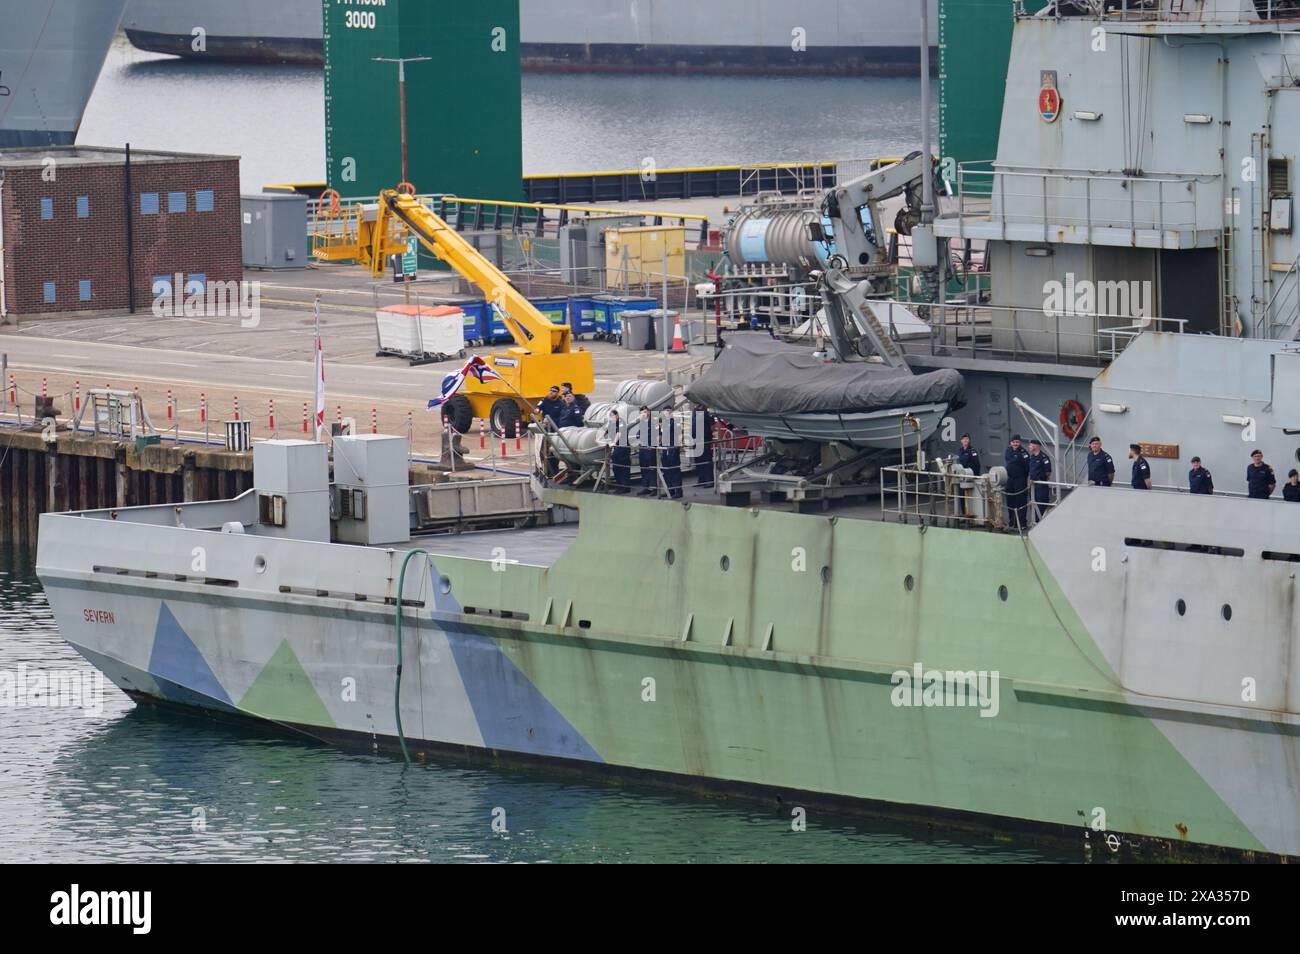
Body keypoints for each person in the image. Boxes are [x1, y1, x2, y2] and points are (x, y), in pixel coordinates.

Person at [1004, 434, 1030, 530]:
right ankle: (1012, 522)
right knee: (1010, 501)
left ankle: (1022, 523)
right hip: (1010, 479)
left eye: (1017, 442)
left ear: (1019, 443)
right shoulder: (1008, 451)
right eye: (1013, 442)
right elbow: (1008, 462)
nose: (1015, 444)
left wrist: (1023, 478)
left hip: (1020, 480)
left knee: (1021, 502)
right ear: (1011, 443)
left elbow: (1027, 468)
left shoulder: (1024, 453)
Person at [659, 406, 683, 499]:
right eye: (665, 411)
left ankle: (678, 491)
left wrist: (676, 447)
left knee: (675, 470)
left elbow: (679, 435)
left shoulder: (675, 422)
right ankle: (670, 490)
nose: (667, 413)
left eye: (669, 411)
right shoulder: (663, 423)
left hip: (672, 448)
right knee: (666, 470)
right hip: (665, 448)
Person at [607, 408, 631, 494]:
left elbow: (619, 434)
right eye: (610, 416)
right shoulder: (611, 424)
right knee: (616, 468)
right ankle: (620, 486)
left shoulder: (621, 423)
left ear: (617, 416)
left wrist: (613, 442)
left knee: (623, 468)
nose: (611, 417)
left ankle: (625, 487)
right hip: (616, 449)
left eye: (612, 416)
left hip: (623, 448)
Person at [1027, 438, 1052, 520]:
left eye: (1030, 445)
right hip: (1033, 485)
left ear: (1036, 446)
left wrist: (1040, 478)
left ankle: (1041, 523)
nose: (1029, 447)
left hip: (1041, 486)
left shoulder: (1044, 457)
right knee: (1033, 504)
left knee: (1041, 505)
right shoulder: (1032, 457)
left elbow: (1048, 472)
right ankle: (1035, 522)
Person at [691, 402, 714, 487]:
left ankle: (709, 480)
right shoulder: (695, 411)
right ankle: (701, 479)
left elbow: (711, 424)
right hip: (696, 439)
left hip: (704, 438)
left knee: (706, 460)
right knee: (698, 460)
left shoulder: (706, 412)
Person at [636, 406, 657, 495]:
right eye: (642, 412)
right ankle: (646, 487)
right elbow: (638, 434)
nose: (643, 414)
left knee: (652, 469)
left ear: (649, 412)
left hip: (650, 449)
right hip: (643, 449)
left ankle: (654, 488)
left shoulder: (653, 422)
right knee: (644, 468)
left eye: (645, 412)